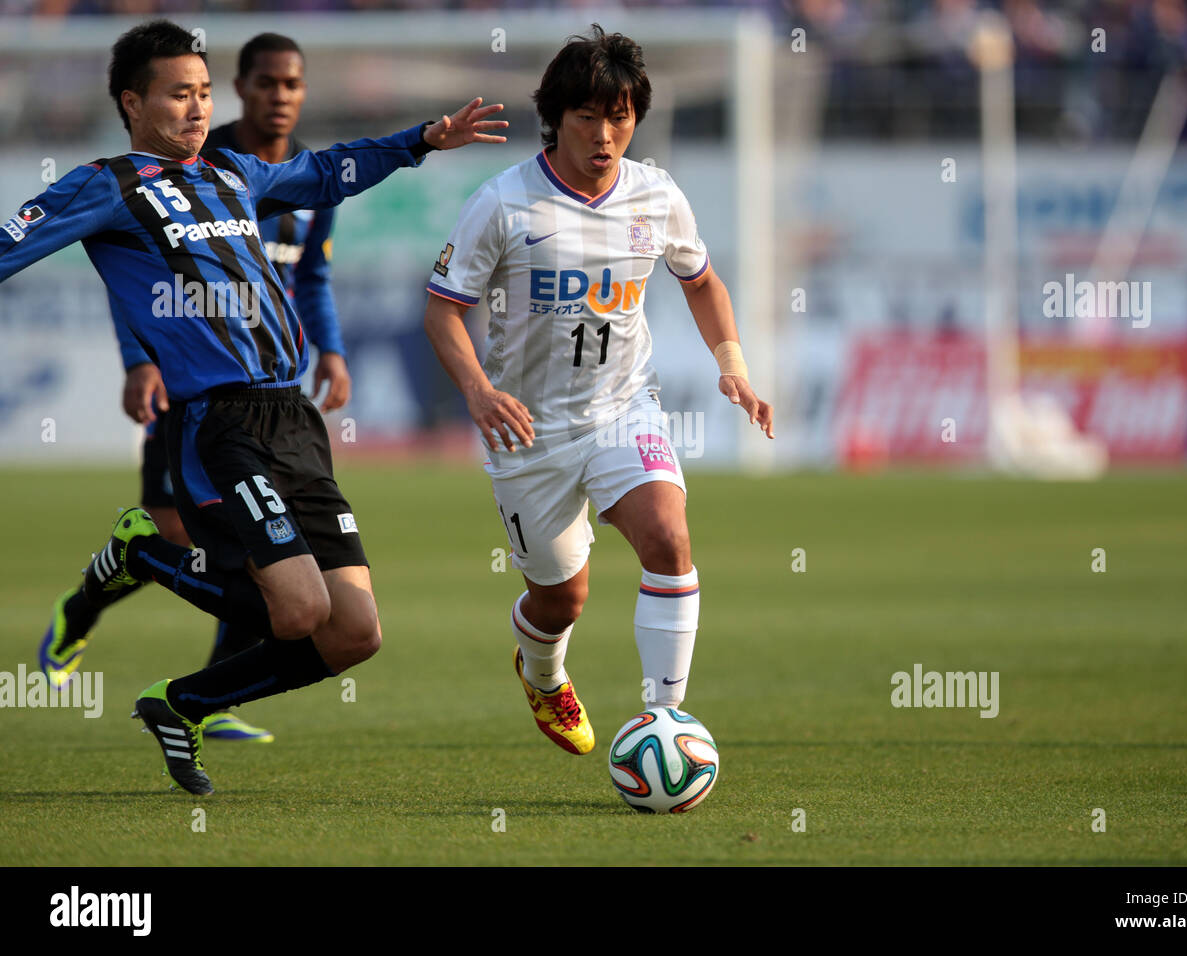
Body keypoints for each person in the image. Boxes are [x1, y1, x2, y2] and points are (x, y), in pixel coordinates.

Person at [1, 19, 506, 794]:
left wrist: (423, 140)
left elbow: (330, 170)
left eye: (204, 93)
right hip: (220, 426)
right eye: (179, 95)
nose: (197, 108)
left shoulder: (234, 173)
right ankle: (141, 552)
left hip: (294, 419)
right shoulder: (104, 186)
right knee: (297, 610)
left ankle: (183, 702)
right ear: (133, 103)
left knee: (356, 634)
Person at [423, 24, 773, 756]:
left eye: (620, 116)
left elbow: (702, 281)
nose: (605, 133)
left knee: (669, 540)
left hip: (621, 410)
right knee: (562, 598)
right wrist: (481, 393)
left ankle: (665, 723)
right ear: (557, 119)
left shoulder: (656, 197)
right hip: (529, 432)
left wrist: (732, 365)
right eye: (588, 116)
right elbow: (442, 311)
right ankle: (543, 672)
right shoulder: (503, 204)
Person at [39, 32, 351, 746]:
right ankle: (94, 604)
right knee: (183, 530)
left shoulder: (298, 182)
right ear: (244, 86)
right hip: (196, 387)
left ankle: (211, 691)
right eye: (267, 83)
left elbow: (312, 279)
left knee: (270, 563)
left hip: (275, 397)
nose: (281, 96)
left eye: (294, 85)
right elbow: (137, 273)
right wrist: (137, 358)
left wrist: (328, 347)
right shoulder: (194, 164)